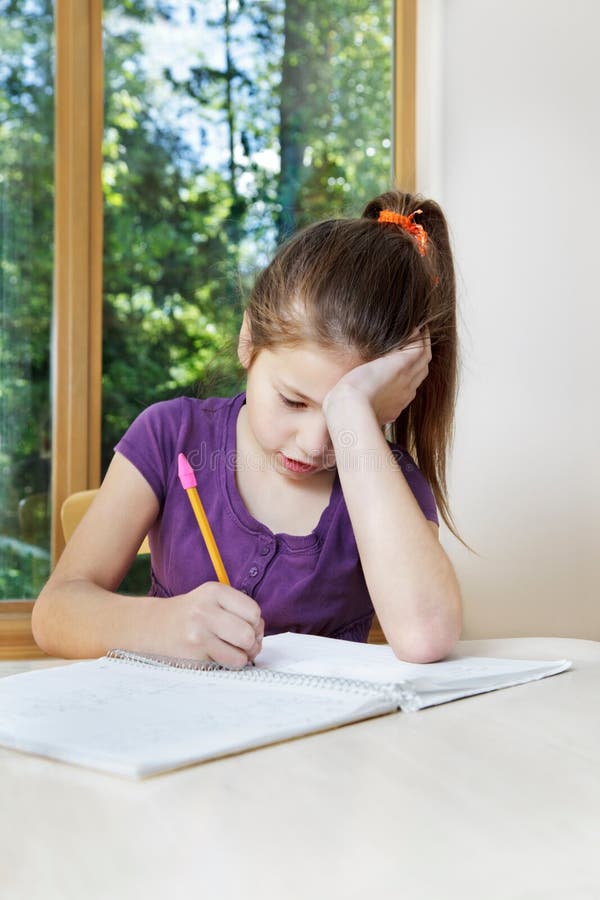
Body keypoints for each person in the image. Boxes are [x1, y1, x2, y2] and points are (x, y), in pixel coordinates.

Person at [33, 189, 463, 667]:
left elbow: (427, 637)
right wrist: (164, 624)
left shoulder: (387, 483)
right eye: (293, 400)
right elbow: (55, 612)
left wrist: (354, 412)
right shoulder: (170, 436)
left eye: (345, 415)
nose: (315, 442)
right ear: (248, 341)